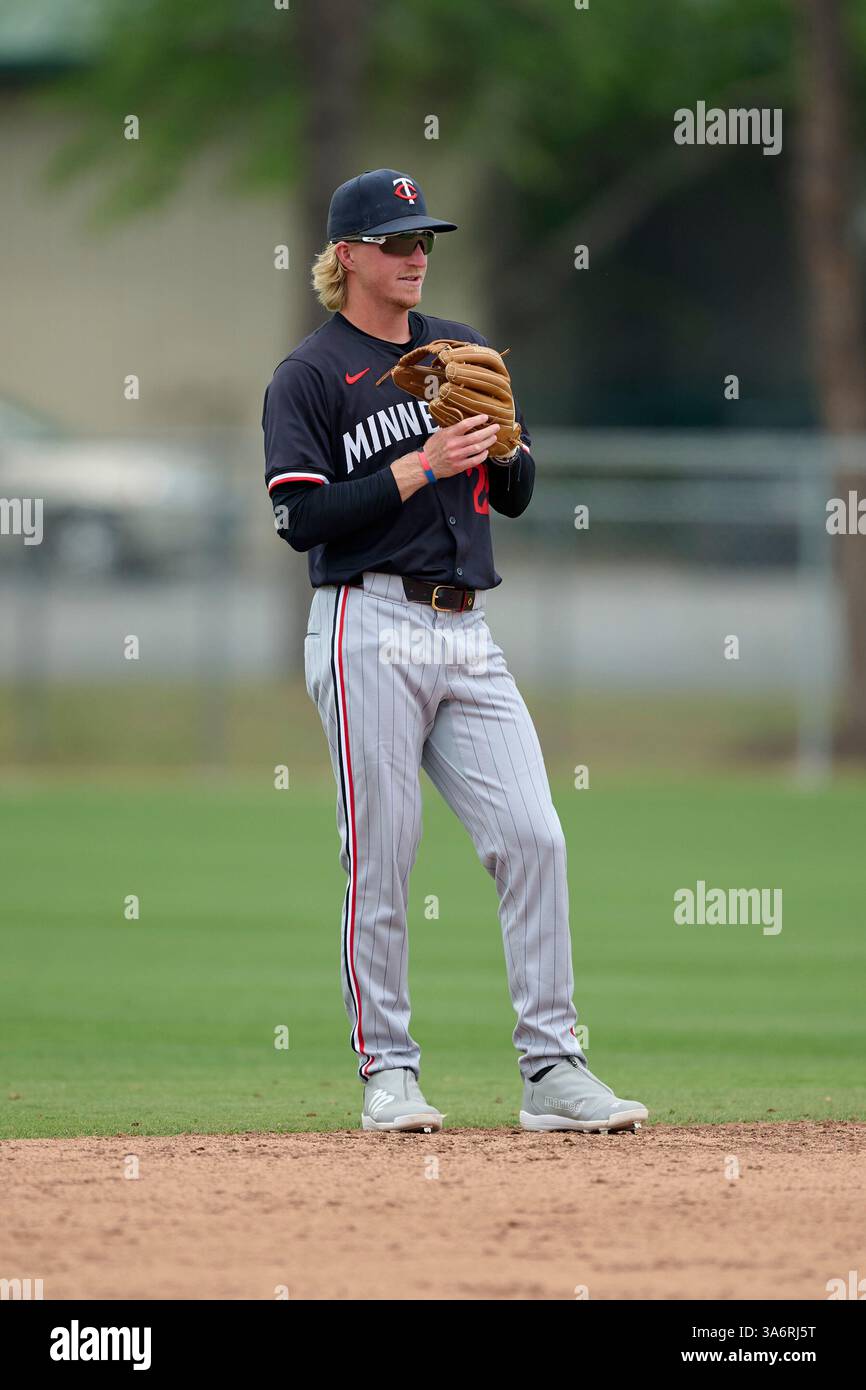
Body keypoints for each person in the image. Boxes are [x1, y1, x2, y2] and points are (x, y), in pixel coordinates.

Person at [262, 168, 648, 1134]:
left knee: (534, 837)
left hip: (467, 626)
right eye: (395, 240)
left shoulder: (460, 347)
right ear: (345, 256)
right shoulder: (310, 375)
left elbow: (513, 495)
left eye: (423, 236)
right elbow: (299, 515)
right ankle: (388, 1073)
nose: (415, 253)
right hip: (367, 623)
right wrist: (418, 465)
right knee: (383, 858)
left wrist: (505, 449)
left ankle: (554, 1070)